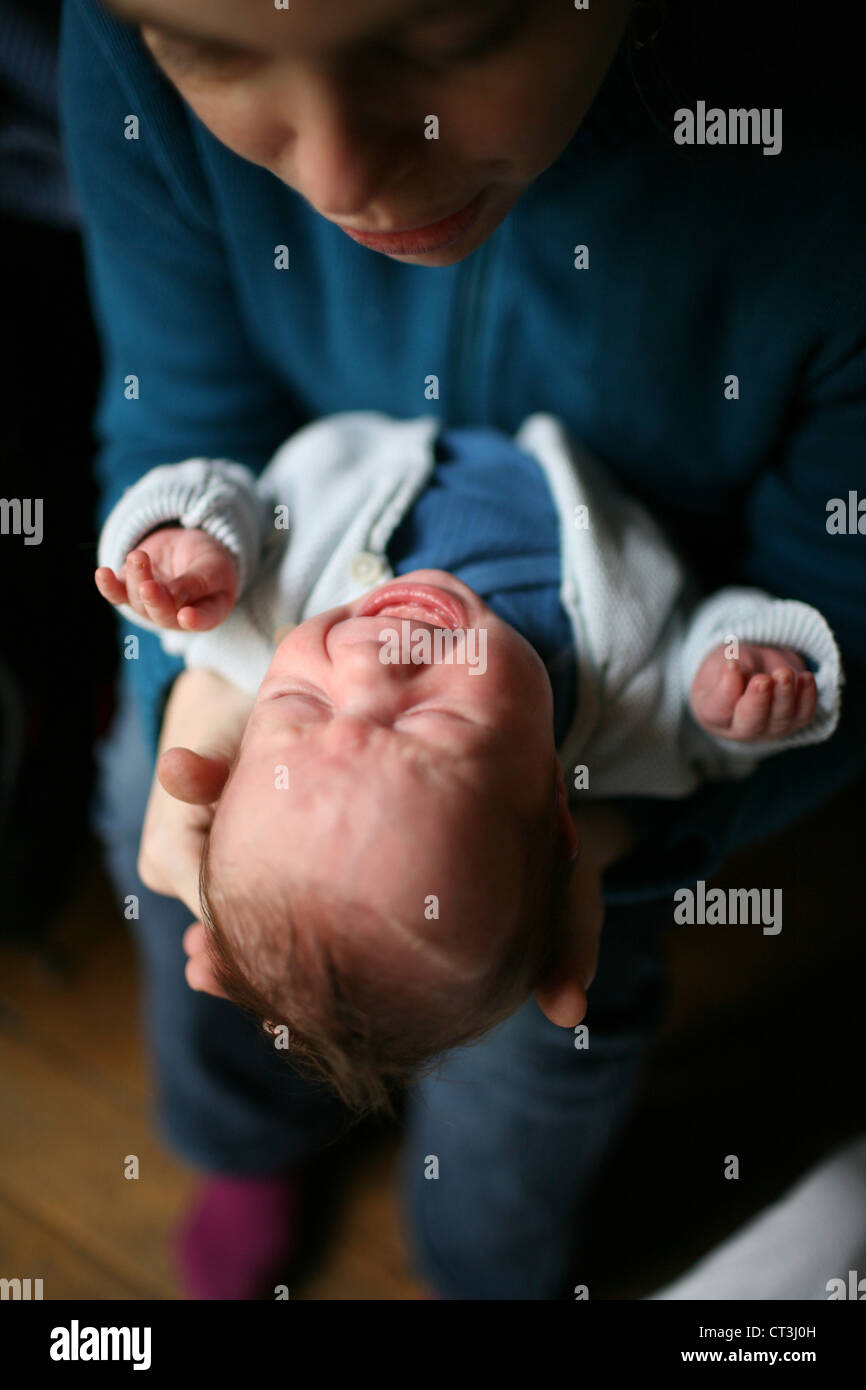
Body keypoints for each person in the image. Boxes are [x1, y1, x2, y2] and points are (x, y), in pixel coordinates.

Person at [61, 0, 866, 1299]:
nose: (336, 175)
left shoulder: (816, 174)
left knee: (556, 1006)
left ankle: (485, 1262)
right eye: (215, 47)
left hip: (581, 849)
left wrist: (714, 723)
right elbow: (190, 453)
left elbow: (774, 652)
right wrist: (185, 617)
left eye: (448, 35)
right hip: (294, 759)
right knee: (157, 837)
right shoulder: (123, 59)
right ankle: (246, 1130)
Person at [92, 410, 837, 1117]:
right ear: (558, 801)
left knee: (135, 788)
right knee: (553, 1049)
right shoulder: (630, 697)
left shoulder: (259, 612)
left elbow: (220, 499)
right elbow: (708, 724)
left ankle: (240, 1145)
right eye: (429, 720)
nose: (369, 666)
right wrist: (739, 672)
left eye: (301, 707)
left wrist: (184, 539)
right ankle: (474, 1237)